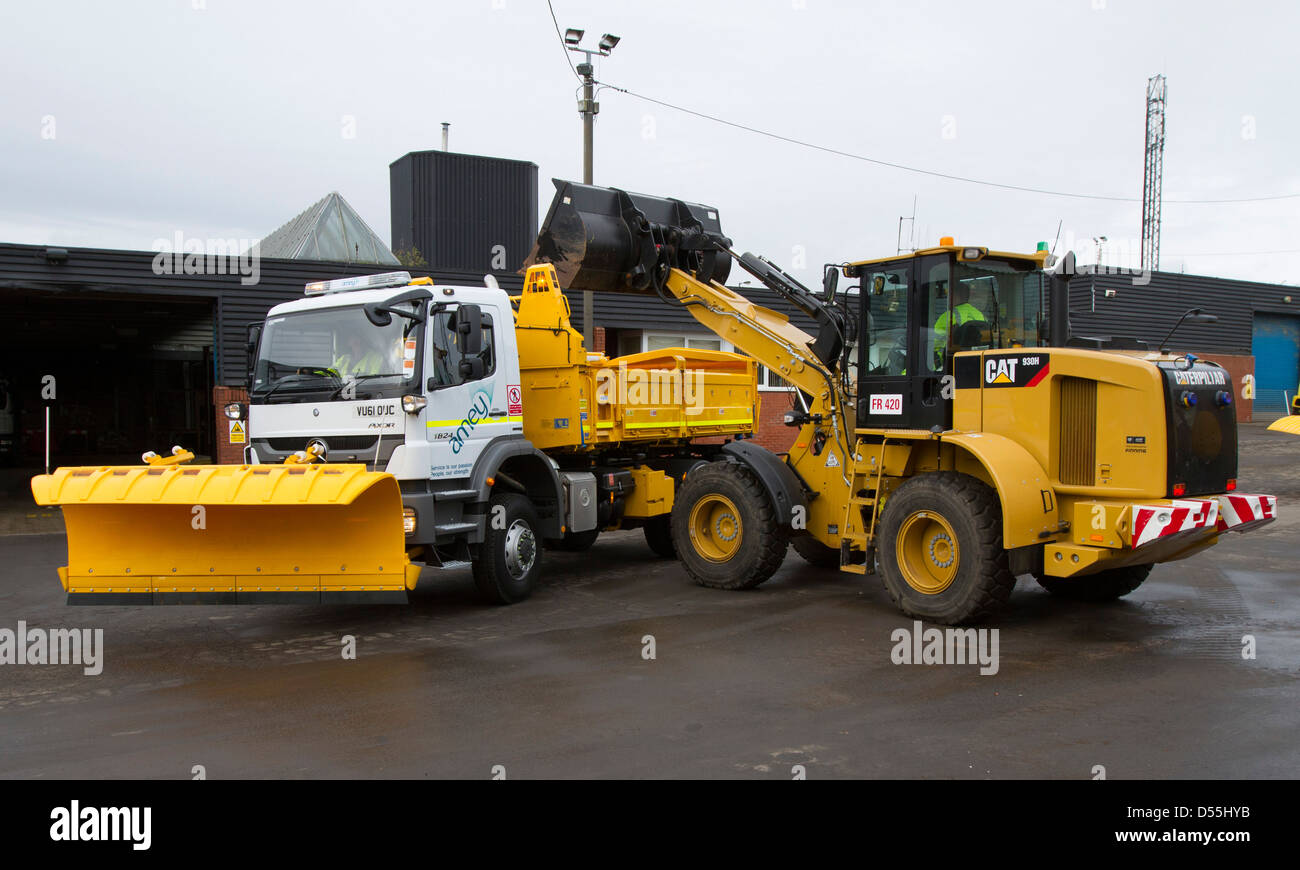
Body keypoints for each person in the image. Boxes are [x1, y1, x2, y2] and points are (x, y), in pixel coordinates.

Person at [933, 282, 986, 359]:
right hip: (976, 360)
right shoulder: (980, 315)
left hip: (950, 363)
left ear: (956, 296)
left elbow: (933, 345)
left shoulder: (947, 317)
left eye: (950, 295)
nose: (948, 298)